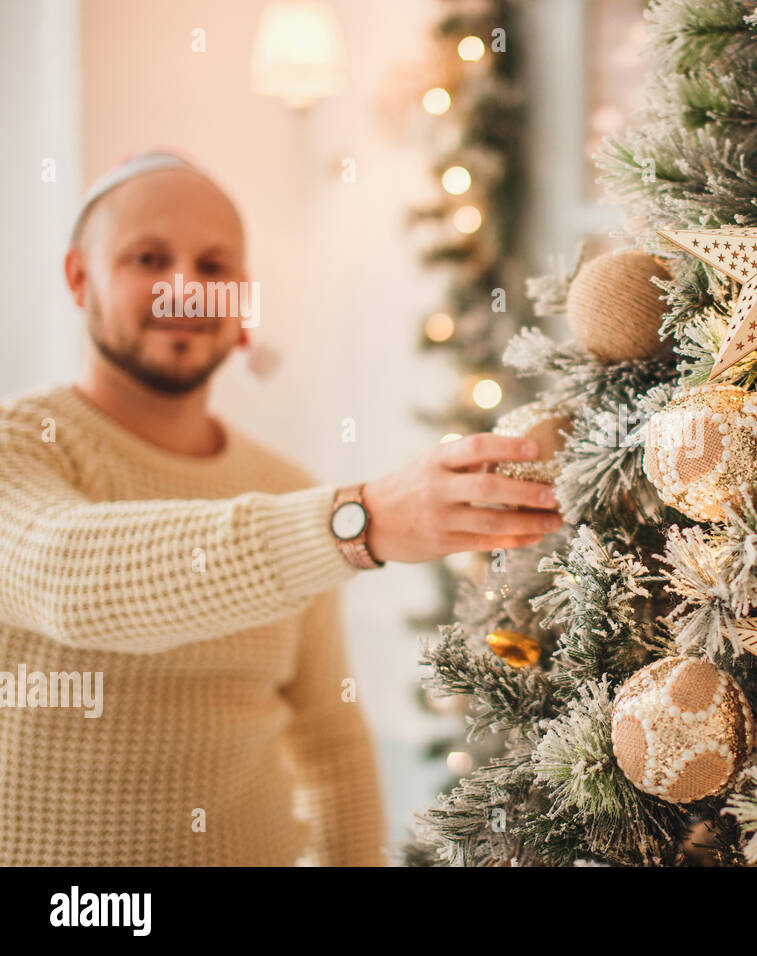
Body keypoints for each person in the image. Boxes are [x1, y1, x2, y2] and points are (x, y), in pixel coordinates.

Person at [0, 151, 561, 866]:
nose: (185, 290)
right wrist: (359, 522)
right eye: (148, 258)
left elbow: (327, 736)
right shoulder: (17, 444)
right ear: (80, 278)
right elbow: (67, 574)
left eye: (214, 267)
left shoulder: (282, 484)